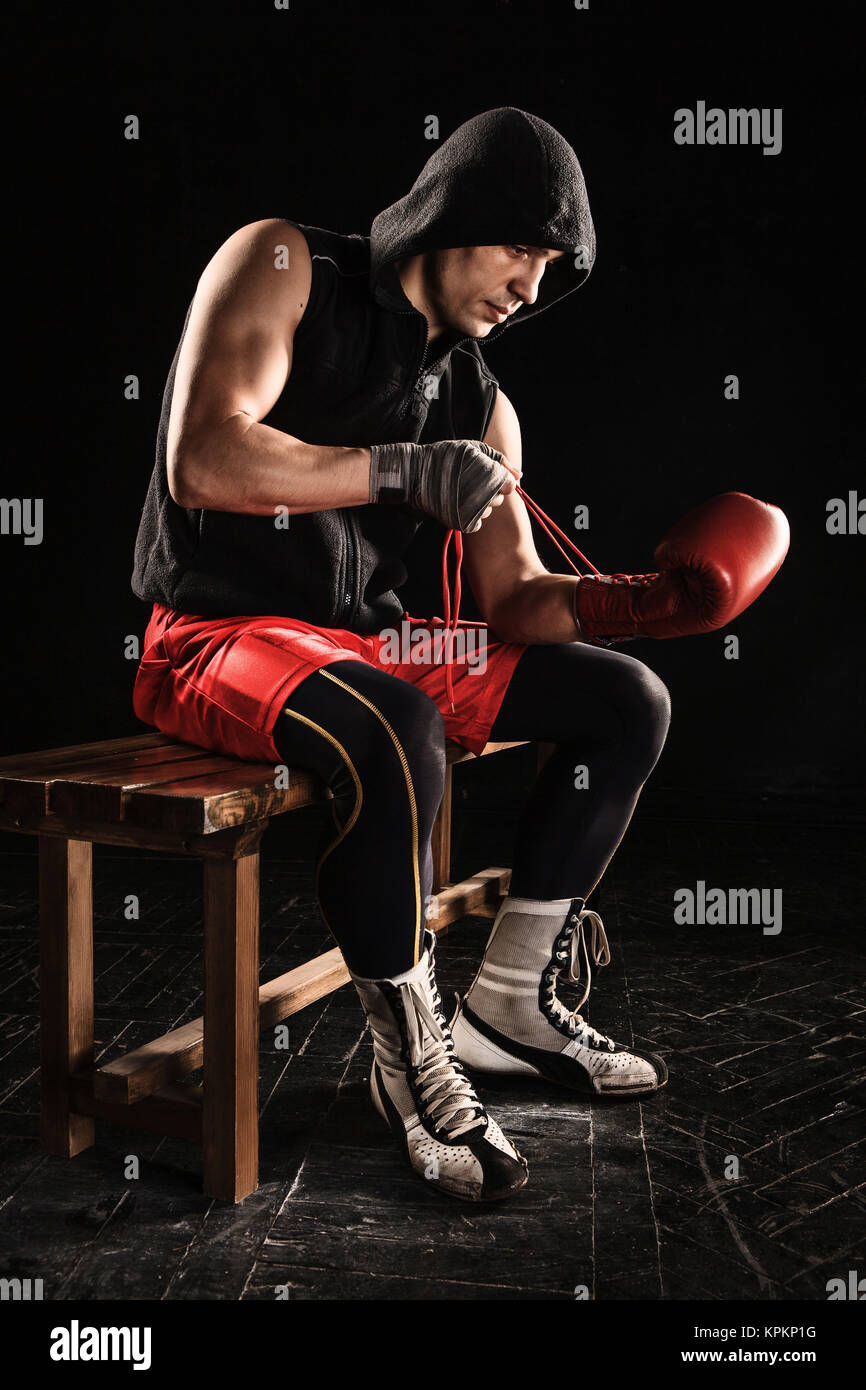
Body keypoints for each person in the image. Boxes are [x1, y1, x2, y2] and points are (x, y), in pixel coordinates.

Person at [130, 107, 786, 1204]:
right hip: (213, 633)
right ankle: (407, 1063)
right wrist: (396, 470)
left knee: (625, 699)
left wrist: (651, 604)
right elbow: (204, 455)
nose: (531, 288)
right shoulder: (283, 263)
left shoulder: (482, 402)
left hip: (374, 642)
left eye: (550, 267)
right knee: (395, 718)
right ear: (454, 215)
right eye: (520, 249)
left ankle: (509, 1005)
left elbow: (514, 601)